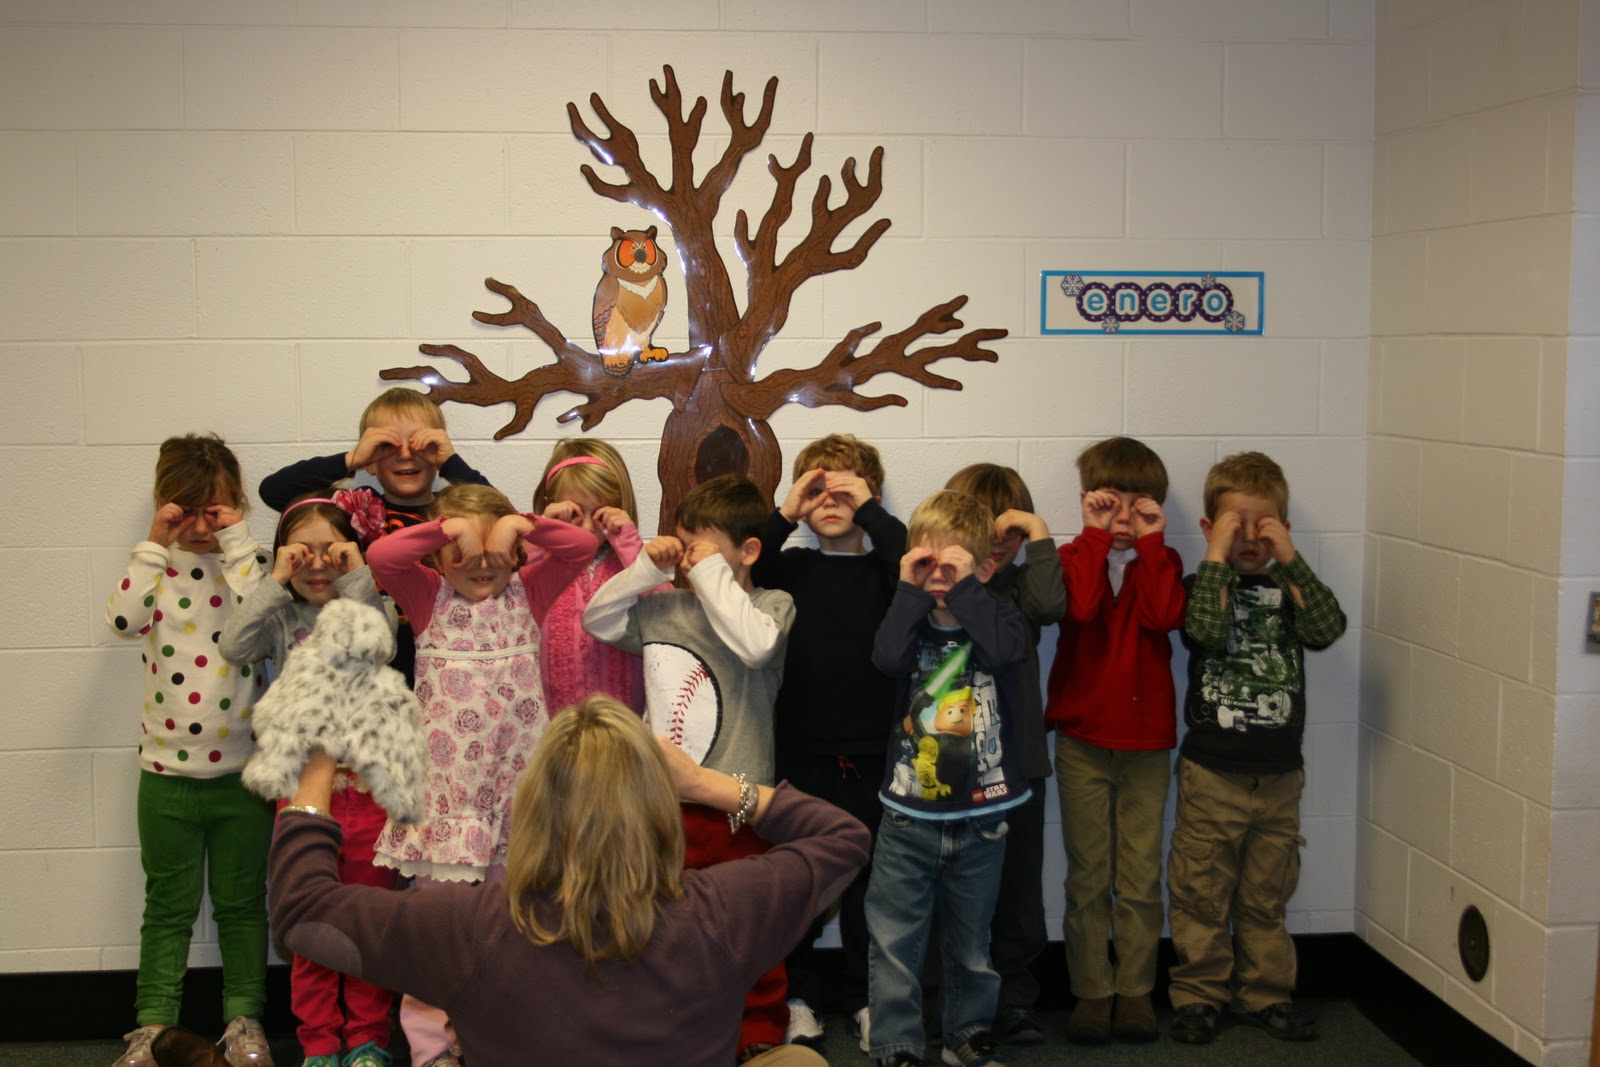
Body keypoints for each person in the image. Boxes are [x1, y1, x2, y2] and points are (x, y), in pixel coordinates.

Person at [266, 695, 868, 1067]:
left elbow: (302, 908)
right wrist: (702, 783)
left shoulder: (467, 928)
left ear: (532, 810)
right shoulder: (723, 911)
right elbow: (845, 838)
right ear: (659, 812)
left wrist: (318, 769)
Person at [365, 484, 597, 1067]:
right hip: (448, 807)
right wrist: (448, 530)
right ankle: (432, 1048)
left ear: (515, 552)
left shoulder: (530, 592)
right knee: (439, 932)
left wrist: (521, 524)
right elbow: (381, 557)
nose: (481, 565)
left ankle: (504, 1039)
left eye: (495, 553)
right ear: (440, 558)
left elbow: (580, 545)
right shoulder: (427, 596)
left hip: (516, 805)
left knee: (516, 928)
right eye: (463, 555)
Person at [584, 473, 797, 1063]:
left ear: (749, 551)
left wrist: (709, 575)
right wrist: (645, 570)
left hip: (738, 802)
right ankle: (664, 1025)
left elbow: (757, 647)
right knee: (656, 921)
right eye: (685, 545)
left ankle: (757, 1031)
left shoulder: (770, 606)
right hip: (661, 805)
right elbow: (598, 620)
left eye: (702, 547)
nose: (688, 560)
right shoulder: (664, 609)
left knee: (748, 922)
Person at [104, 434, 275, 1067]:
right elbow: (123, 620)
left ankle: (244, 1021)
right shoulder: (156, 569)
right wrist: (154, 541)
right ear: (164, 505)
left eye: (215, 510)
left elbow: (265, 623)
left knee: (241, 904)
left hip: (243, 774)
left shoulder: (249, 566)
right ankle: (152, 1027)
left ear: (237, 506)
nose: (201, 527)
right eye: (186, 511)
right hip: (165, 774)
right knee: (167, 908)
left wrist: (237, 544)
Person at [1166, 452, 1346, 1046]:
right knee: (1201, 892)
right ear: (1209, 529)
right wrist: (1216, 557)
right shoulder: (1201, 586)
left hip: (1279, 776)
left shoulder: (1290, 590)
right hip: (1212, 774)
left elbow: (1326, 629)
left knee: (1268, 896)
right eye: (1233, 525)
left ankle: (1266, 994)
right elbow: (1204, 632)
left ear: (1283, 529)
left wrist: (1290, 559)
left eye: (1261, 525)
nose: (1248, 537)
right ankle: (1199, 996)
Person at [217, 492, 399, 1067]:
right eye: (302, 552)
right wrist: (275, 580)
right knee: (309, 919)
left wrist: (357, 574)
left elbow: (383, 644)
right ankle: (319, 1042)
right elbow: (233, 645)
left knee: (368, 919)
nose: (318, 564)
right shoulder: (278, 618)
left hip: (368, 789)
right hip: (302, 794)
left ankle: (368, 1039)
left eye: (332, 551)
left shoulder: (372, 606)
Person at [751, 434, 906, 1052]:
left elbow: (908, 558)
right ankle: (798, 997)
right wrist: (786, 511)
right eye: (819, 489)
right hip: (801, 752)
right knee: (802, 885)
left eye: (847, 490)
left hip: (873, 755)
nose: (831, 499)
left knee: (875, 889)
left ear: (871, 500)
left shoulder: (887, 571)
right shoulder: (790, 568)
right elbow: (747, 562)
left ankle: (868, 998)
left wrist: (870, 508)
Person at [865, 489, 1031, 1067]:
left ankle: (968, 1032)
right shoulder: (907, 623)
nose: (939, 575)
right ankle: (897, 1041)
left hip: (982, 818)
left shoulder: (1000, 619)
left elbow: (1004, 654)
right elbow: (886, 659)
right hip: (908, 816)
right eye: (927, 561)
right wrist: (909, 592)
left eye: (953, 565)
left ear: (983, 570)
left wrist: (967, 592)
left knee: (971, 940)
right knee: (893, 938)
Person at [1044, 436, 1186, 1044]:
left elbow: (1163, 617)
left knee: (1140, 876)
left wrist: (1152, 545)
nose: (1124, 515)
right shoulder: (1074, 554)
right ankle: (1091, 991)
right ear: (1088, 501)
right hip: (1083, 739)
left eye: (1139, 503)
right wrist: (1094, 537)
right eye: (1111, 502)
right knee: (1087, 875)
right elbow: (1077, 610)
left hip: (1146, 744)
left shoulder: (1164, 560)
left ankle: (1135, 990)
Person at [943, 464, 1064, 1047]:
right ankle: (955, 999)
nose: (997, 538)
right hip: (950, 767)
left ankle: (1016, 999)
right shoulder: (942, 588)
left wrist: (1037, 531)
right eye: (983, 525)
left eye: (1009, 529)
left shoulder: (1019, 589)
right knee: (956, 890)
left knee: (1018, 893)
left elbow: (1050, 604)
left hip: (1018, 765)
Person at [257, 387, 493, 683]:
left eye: (419, 444)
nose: (405, 455)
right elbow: (273, 491)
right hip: (371, 658)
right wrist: (351, 459)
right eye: (388, 446)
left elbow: (500, 516)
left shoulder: (454, 515)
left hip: (444, 655)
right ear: (371, 461)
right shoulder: (357, 508)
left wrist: (450, 462)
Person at [529, 438, 653, 715]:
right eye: (574, 513)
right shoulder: (540, 565)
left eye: (598, 514)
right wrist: (542, 534)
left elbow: (666, 616)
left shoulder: (631, 564)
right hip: (552, 723)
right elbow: (512, 595)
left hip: (623, 724)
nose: (586, 527)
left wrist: (629, 544)